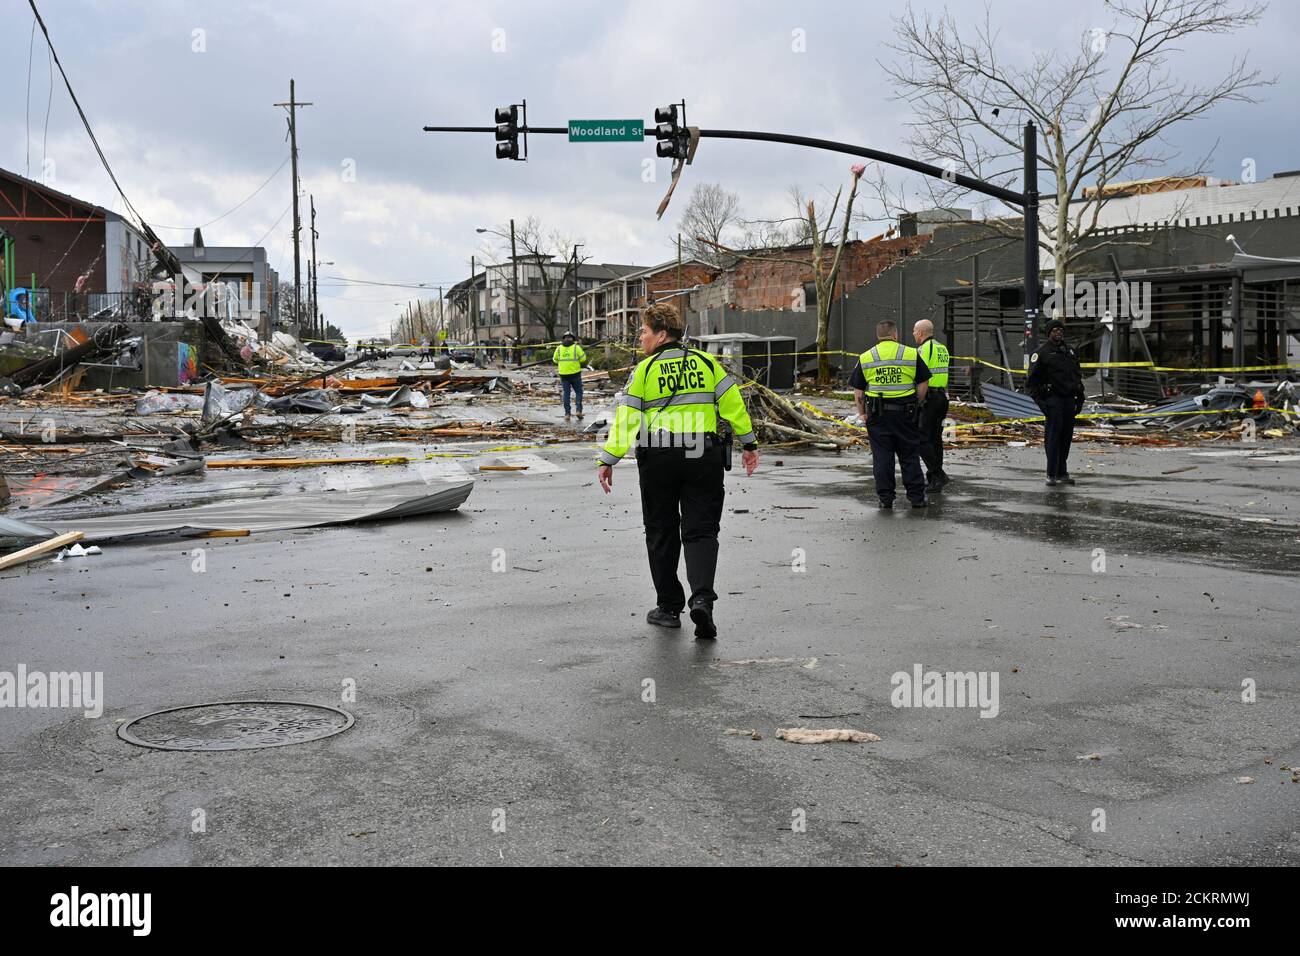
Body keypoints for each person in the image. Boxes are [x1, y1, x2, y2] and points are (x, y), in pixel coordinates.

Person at [597, 302, 759, 640]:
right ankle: (702, 599)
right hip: (702, 454)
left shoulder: (644, 371)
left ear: (661, 334)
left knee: (661, 531)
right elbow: (733, 406)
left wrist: (609, 458)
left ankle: (669, 608)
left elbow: (628, 419)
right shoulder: (706, 363)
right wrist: (749, 444)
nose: (640, 338)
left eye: (643, 332)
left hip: (659, 456)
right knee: (701, 531)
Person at [851, 319, 930, 509]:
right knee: (909, 455)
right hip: (905, 414)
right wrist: (916, 403)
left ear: (878, 336)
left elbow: (858, 391)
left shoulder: (866, 357)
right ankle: (917, 498)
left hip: (877, 416)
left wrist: (862, 413)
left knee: (882, 457)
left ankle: (885, 499)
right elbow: (923, 382)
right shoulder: (910, 353)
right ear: (895, 335)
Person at [1026, 319, 1085, 486]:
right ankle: (1051, 474)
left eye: (1060, 330)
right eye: (1055, 330)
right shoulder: (1042, 353)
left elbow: (1077, 376)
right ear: (1049, 333)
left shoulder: (1070, 352)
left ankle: (1062, 472)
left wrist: (1080, 398)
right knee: (1053, 439)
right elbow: (1032, 382)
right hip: (1053, 400)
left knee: (1066, 438)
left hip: (1068, 400)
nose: (1058, 333)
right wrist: (1041, 403)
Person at [912, 319, 951, 494]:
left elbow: (919, 375)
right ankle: (936, 477)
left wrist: (916, 399)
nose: (913, 334)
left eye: (914, 331)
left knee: (922, 438)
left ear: (920, 332)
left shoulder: (923, 349)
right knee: (935, 438)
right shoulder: (941, 348)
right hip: (942, 396)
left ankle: (937, 474)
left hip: (929, 397)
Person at [552, 331, 588, 421]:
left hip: (564, 374)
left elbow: (555, 360)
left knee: (566, 393)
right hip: (575, 374)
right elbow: (583, 359)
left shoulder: (559, 348)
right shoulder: (576, 347)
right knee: (578, 392)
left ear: (563, 338)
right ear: (573, 339)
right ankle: (578, 411)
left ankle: (567, 414)